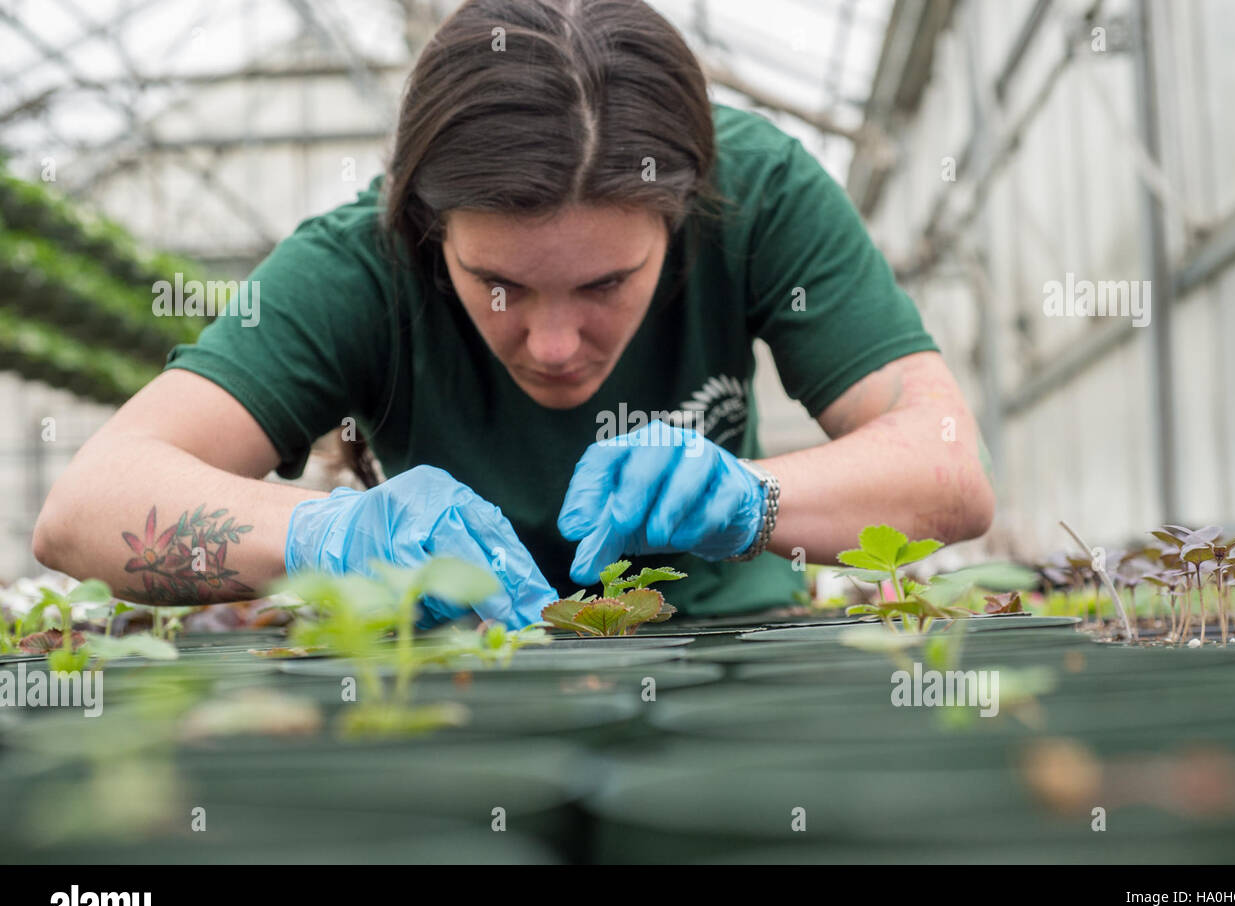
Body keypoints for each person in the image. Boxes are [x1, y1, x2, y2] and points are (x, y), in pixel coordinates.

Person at [32, 0, 994, 629]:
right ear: (425, 225)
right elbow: (85, 509)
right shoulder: (354, 266)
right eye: (499, 285)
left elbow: (946, 465)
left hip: (731, 645)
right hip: (451, 678)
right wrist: (331, 533)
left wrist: (755, 499)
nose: (555, 344)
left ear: (683, 213)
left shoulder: (761, 193)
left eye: (608, 284)